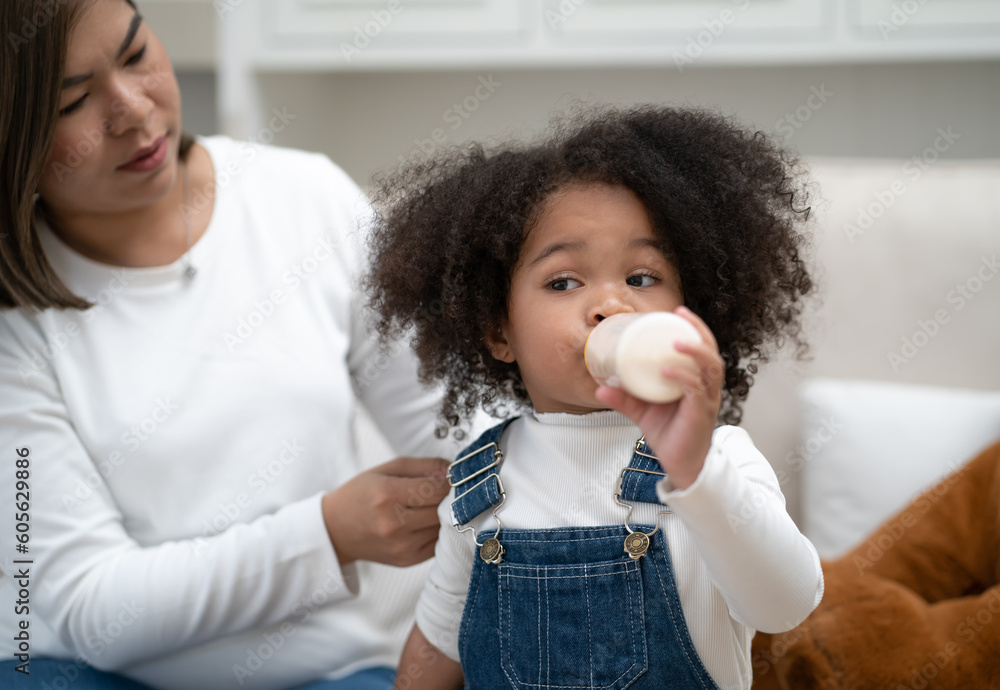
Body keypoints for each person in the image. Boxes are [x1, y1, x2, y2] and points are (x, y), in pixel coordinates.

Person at [0, 0, 481, 688]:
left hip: (328, 671)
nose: (133, 110)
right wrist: (325, 535)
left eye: (136, 54)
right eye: (73, 101)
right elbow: (89, 608)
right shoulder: (15, 320)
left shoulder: (302, 197)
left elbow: (459, 436)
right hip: (72, 671)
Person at [365, 105, 826, 690]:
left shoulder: (720, 460)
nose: (612, 304)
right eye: (564, 282)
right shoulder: (479, 485)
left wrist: (696, 474)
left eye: (641, 277)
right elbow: (437, 645)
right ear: (499, 331)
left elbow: (784, 606)